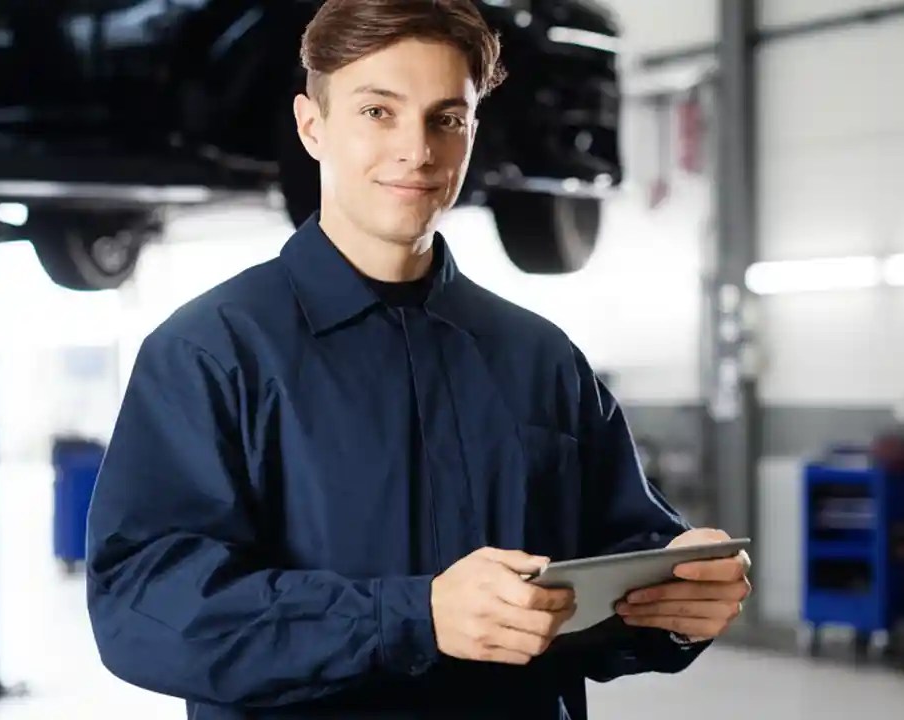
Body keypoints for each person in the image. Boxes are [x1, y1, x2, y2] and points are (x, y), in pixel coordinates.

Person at [86, 1, 752, 718]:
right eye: (379, 112)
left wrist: (681, 600)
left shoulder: (540, 358)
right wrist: (414, 615)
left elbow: (614, 560)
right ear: (313, 126)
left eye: (448, 118)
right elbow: (145, 604)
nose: (418, 150)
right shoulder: (212, 353)